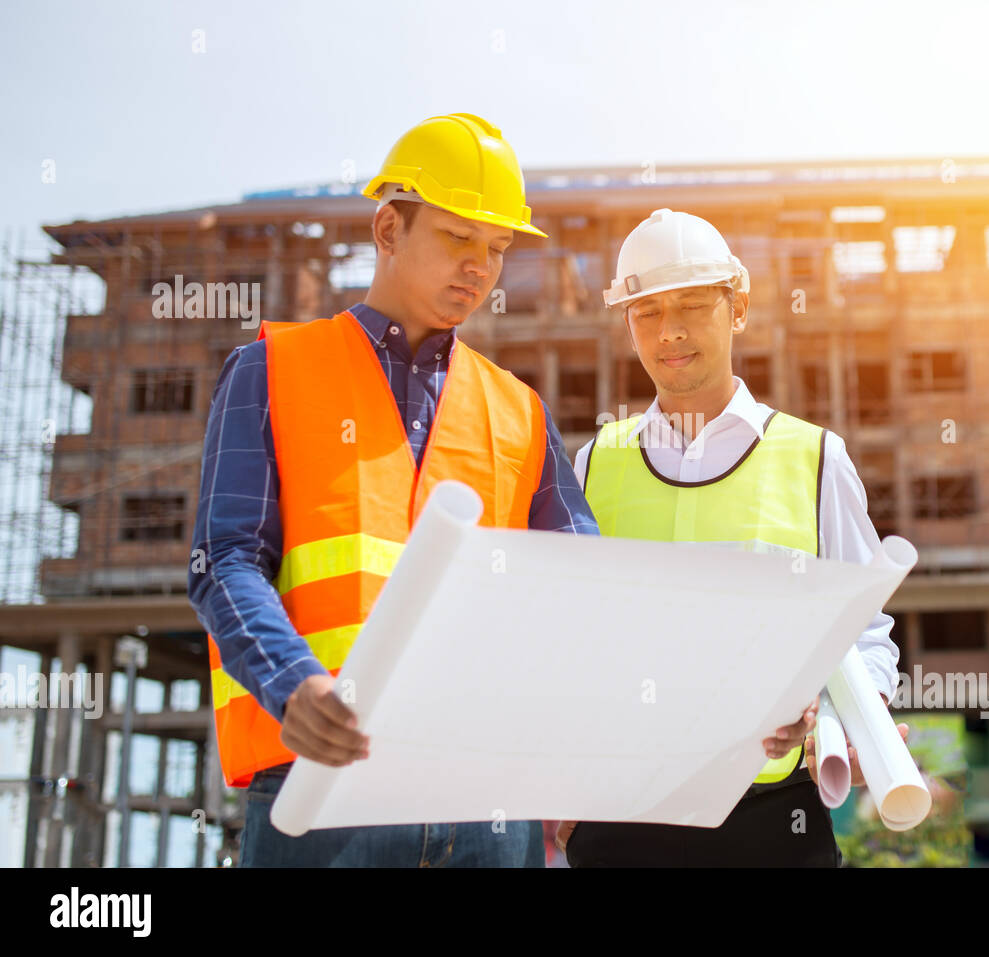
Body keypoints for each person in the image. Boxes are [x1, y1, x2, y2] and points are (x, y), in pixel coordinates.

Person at [188, 113, 599, 867]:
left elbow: (580, 590)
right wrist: (294, 683)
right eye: (458, 237)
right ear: (387, 228)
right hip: (320, 788)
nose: (480, 266)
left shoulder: (519, 411)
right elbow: (224, 560)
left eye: (498, 248)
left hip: (485, 803)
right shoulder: (271, 369)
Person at [559, 208, 906, 867]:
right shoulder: (593, 462)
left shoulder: (814, 458)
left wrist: (864, 718)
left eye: (693, 305)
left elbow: (862, 628)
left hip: (775, 821)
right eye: (648, 312)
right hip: (622, 818)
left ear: (738, 307)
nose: (671, 332)